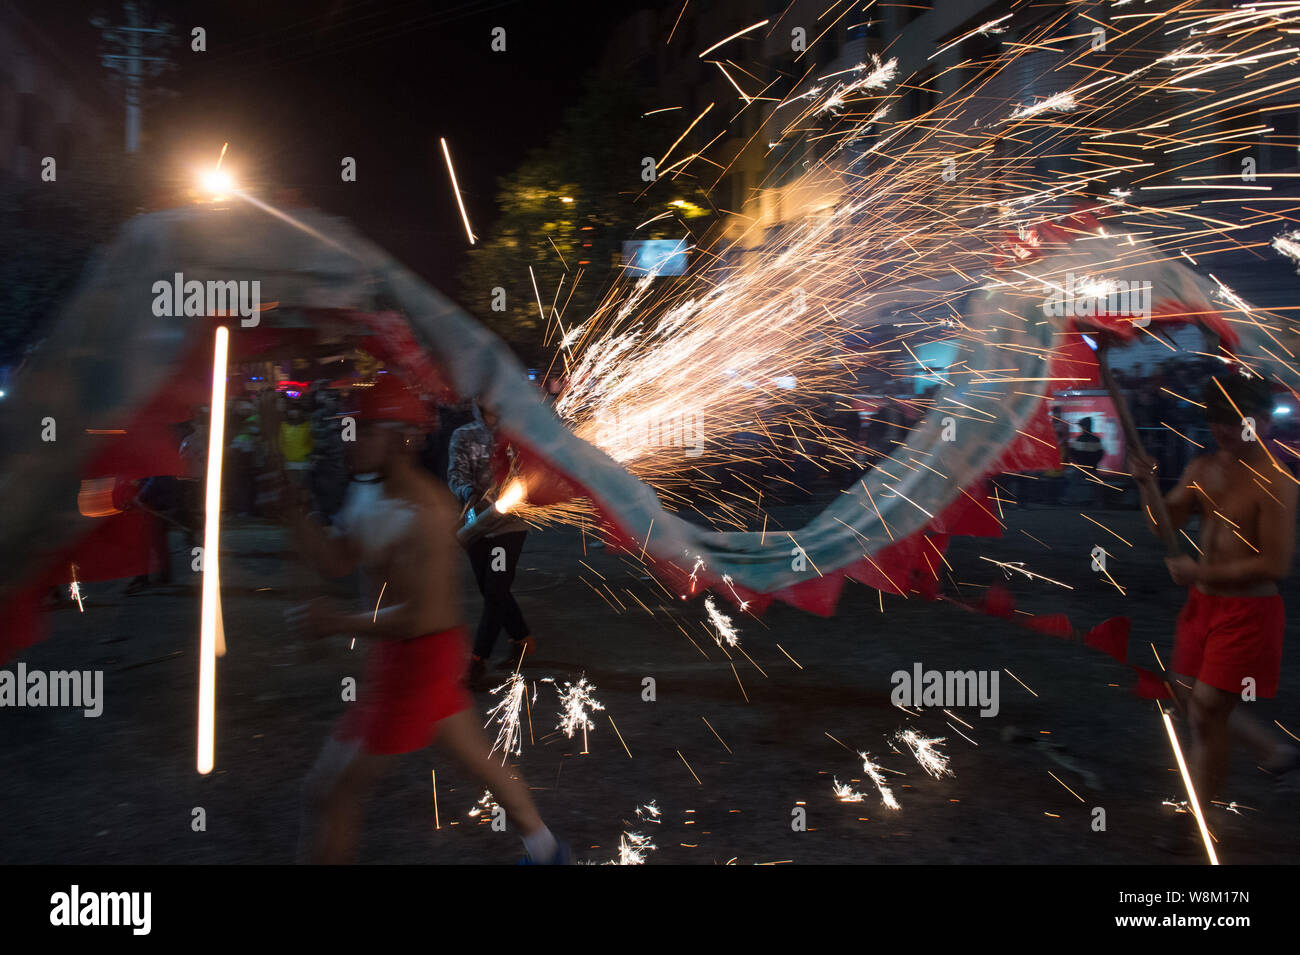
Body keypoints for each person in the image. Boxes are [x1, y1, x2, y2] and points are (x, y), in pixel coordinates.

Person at [282, 376, 566, 864]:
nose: (351, 441)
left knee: (329, 793)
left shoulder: (426, 513)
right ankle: (546, 850)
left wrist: (337, 622)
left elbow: (420, 616)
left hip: (418, 662)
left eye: (365, 430)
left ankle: (546, 850)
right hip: (407, 659)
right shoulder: (367, 493)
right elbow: (336, 559)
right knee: (478, 761)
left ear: (400, 439)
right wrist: (291, 514)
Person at [1131, 372, 1298, 846]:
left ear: (1264, 420)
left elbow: (1276, 563)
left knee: (1205, 710)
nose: (1226, 430)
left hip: (1248, 613)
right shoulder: (1203, 469)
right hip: (1203, 607)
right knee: (1189, 699)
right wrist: (1147, 485)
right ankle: (1276, 751)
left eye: (1237, 420)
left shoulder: (1278, 482)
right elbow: (1163, 523)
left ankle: (1198, 822)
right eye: (1218, 420)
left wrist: (1199, 573)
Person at [447, 401, 534, 688]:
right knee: (489, 588)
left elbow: (532, 474)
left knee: (496, 588)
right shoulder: (464, 435)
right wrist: (467, 491)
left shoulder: (517, 433)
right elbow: (455, 475)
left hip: (511, 522)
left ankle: (477, 659)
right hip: (477, 523)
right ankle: (521, 639)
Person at [1065, 416, 1106, 506]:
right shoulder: (1096, 440)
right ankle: (1099, 502)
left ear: (1085, 427)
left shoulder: (1079, 439)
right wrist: (1092, 463)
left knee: (1073, 481)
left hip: (1081, 468)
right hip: (1091, 468)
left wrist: (1080, 463)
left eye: (1082, 426)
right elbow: (1100, 454)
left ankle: (1070, 500)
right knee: (1097, 484)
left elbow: (1073, 453)